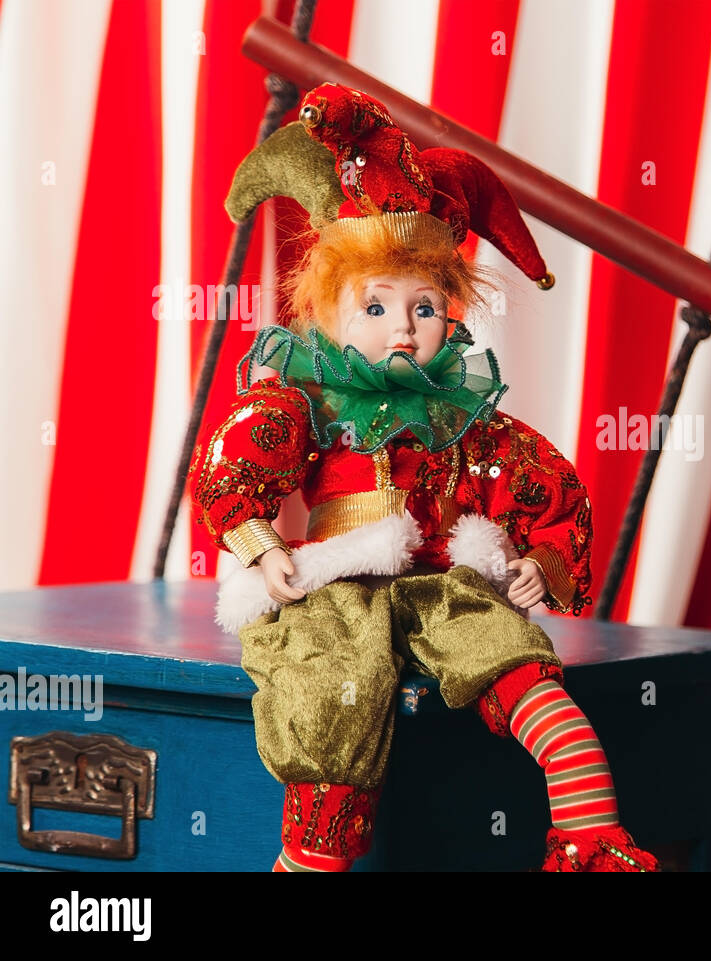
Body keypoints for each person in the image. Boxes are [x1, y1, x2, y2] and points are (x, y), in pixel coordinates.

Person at [188, 81, 657, 873]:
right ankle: (310, 859)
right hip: (339, 587)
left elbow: (540, 481)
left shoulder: (464, 415)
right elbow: (242, 455)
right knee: (331, 691)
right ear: (329, 315)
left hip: (445, 582)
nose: (404, 325)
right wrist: (262, 543)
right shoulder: (309, 396)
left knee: (521, 663)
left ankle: (590, 837)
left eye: (425, 305)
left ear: (451, 313)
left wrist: (538, 562)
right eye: (376, 307)